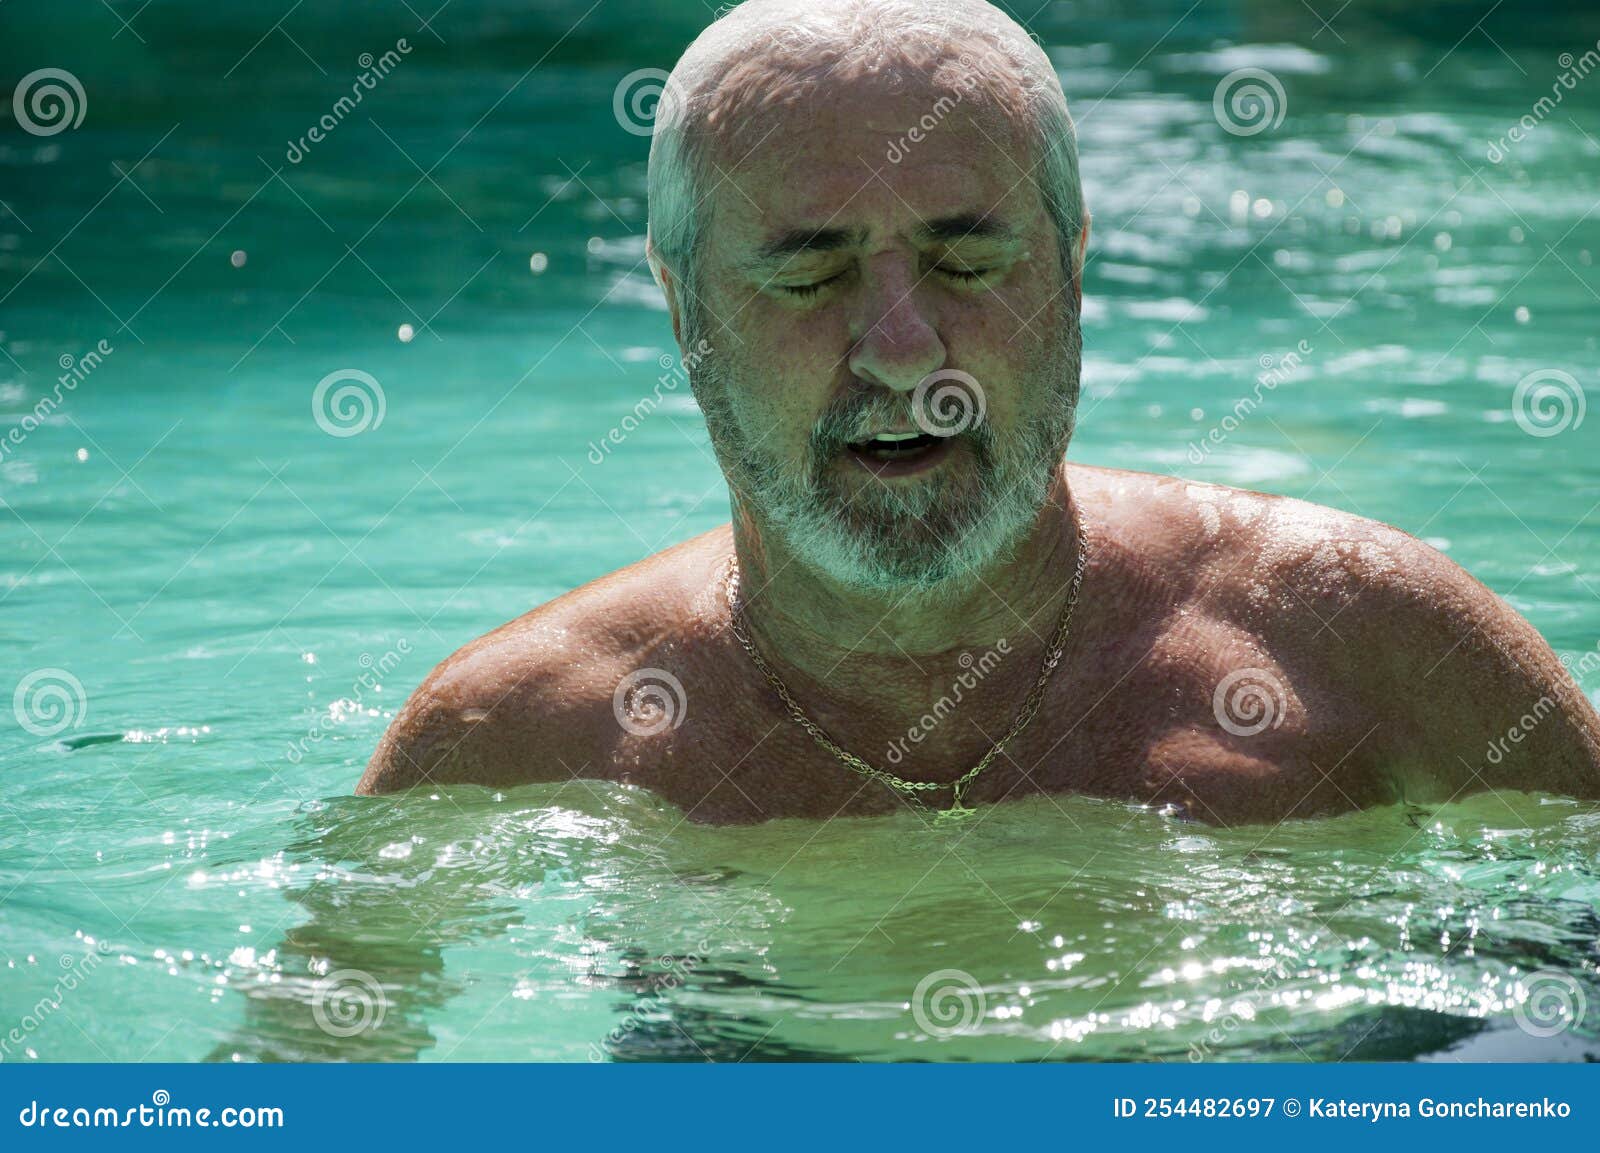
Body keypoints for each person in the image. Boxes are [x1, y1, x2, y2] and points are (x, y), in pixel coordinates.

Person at [359, 0, 1600, 824]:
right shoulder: (520, 743)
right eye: (807, 274)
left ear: (1073, 268)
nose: (902, 351)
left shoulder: (1364, 644)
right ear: (683, 306)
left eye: (967, 263)